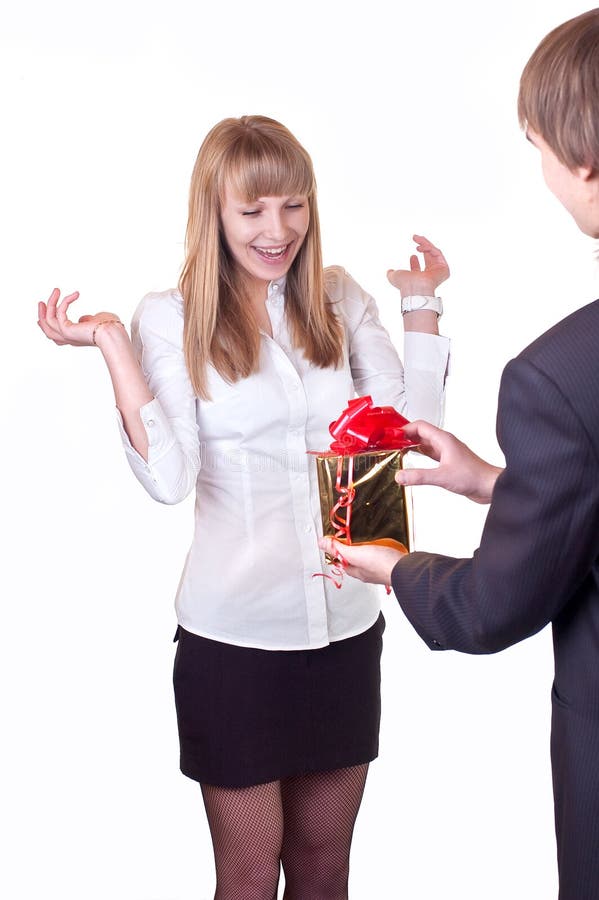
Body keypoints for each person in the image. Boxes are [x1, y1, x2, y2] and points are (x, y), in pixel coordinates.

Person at [37, 115, 451, 899]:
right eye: (253, 210)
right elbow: (168, 478)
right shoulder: (171, 316)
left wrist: (421, 304)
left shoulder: (338, 297)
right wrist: (115, 349)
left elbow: (404, 436)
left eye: (293, 206)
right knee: (250, 875)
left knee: (326, 872)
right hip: (234, 645)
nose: (277, 229)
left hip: (343, 631)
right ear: (215, 212)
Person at [319, 9, 599, 899]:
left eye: (537, 148)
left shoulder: (557, 376)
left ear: (582, 158)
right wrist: (495, 482)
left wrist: (393, 568)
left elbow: (488, 608)